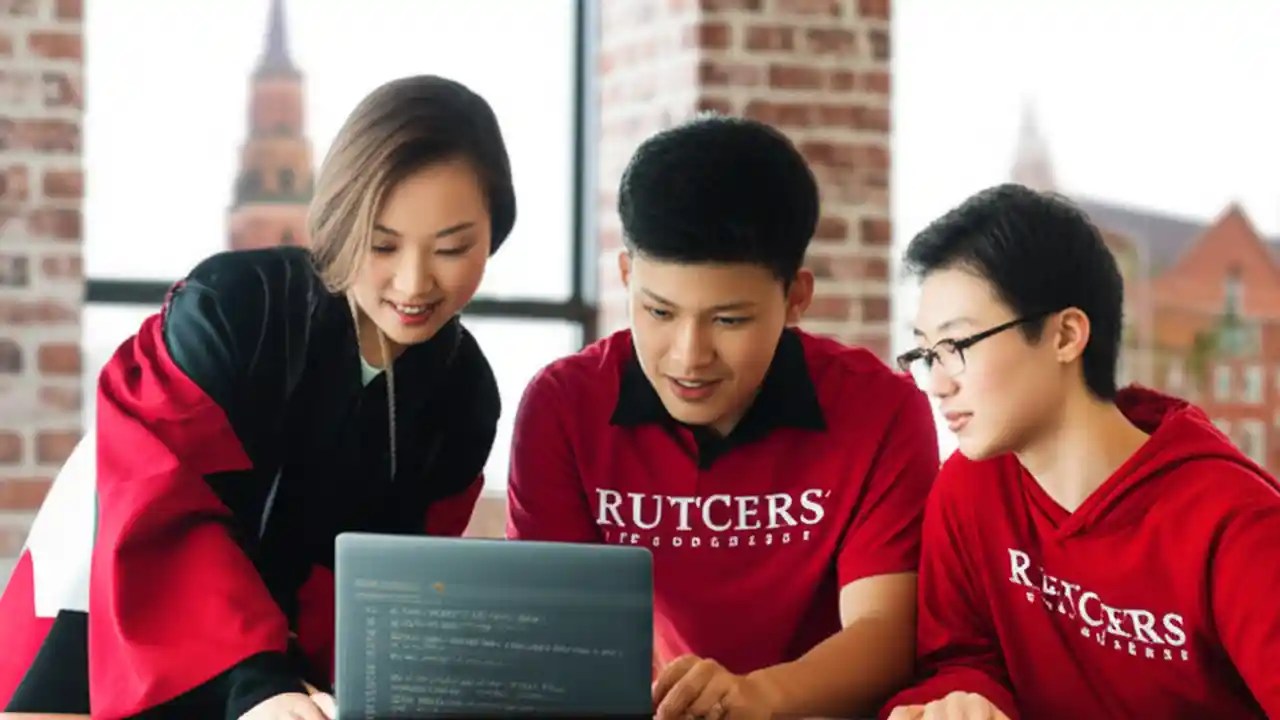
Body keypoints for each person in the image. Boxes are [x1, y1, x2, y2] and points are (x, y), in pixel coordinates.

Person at [0, 74, 516, 719]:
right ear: (339, 218)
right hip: (121, 586)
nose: (414, 282)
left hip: (287, 653)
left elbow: (394, 588)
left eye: (452, 248)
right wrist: (257, 683)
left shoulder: (465, 394)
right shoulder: (231, 307)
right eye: (382, 245)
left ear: (495, 234)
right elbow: (165, 508)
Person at [506, 114, 939, 720]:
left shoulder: (882, 412)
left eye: (729, 320)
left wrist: (754, 696)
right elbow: (550, 634)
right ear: (627, 275)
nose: (689, 356)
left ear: (796, 299)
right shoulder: (561, 407)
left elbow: (886, 636)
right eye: (658, 312)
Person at [881, 184, 1280, 720]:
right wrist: (963, 703)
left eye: (956, 347)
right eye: (926, 353)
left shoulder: (1237, 523)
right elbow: (962, 658)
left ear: (1065, 336)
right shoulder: (968, 489)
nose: (935, 383)